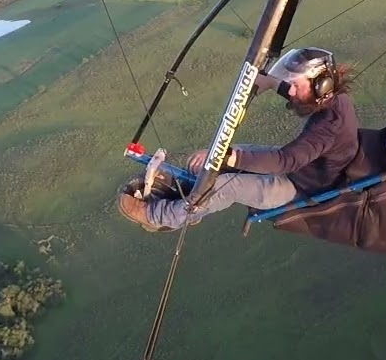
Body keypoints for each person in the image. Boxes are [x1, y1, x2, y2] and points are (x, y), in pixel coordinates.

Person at [117, 47, 360, 232]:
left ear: (321, 85)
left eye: (295, 85)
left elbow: (285, 161)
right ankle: (193, 190)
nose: (291, 91)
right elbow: (302, 99)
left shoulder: (330, 124)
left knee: (228, 185)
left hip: (300, 187)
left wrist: (225, 154)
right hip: (305, 167)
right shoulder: (330, 99)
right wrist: (271, 84)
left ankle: (160, 216)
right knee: (232, 155)